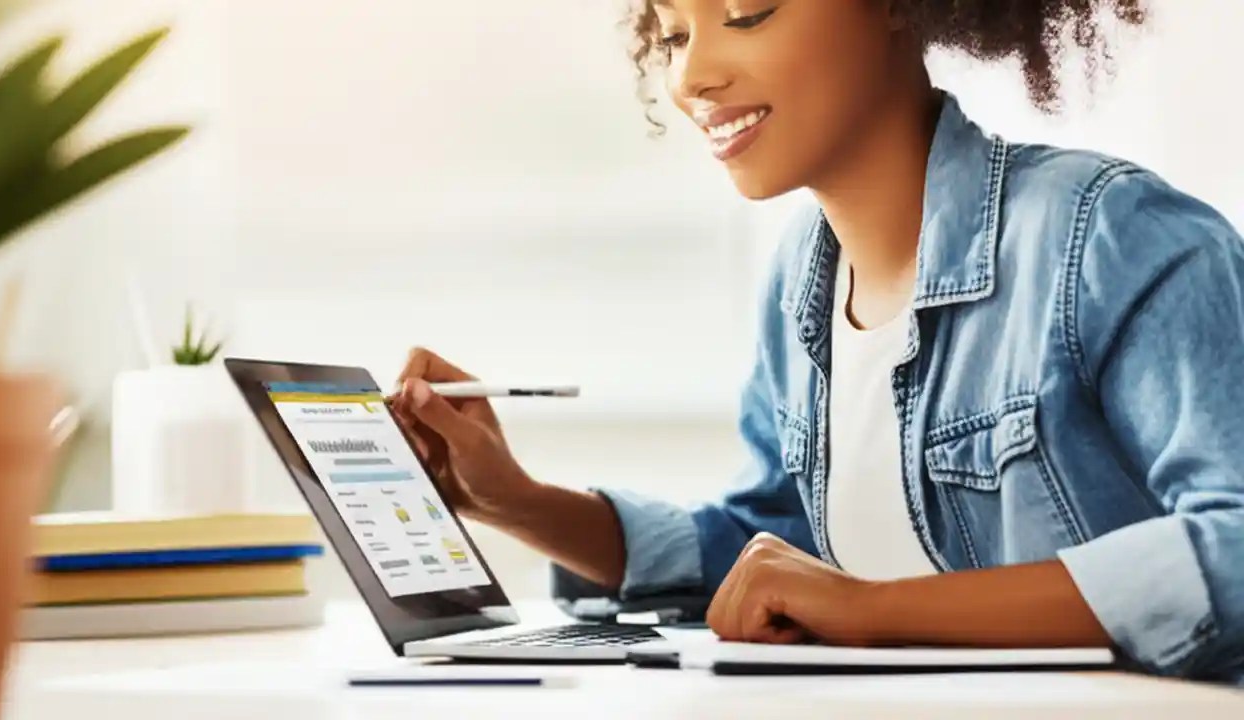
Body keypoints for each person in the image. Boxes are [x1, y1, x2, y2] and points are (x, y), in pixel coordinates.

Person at [389, 0, 1244, 682]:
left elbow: (1234, 548)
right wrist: (514, 501)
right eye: (675, 33)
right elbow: (764, 554)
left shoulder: (1109, 237)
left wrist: (874, 609)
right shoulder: (803, 277)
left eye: (748, 15)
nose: (692, 75)